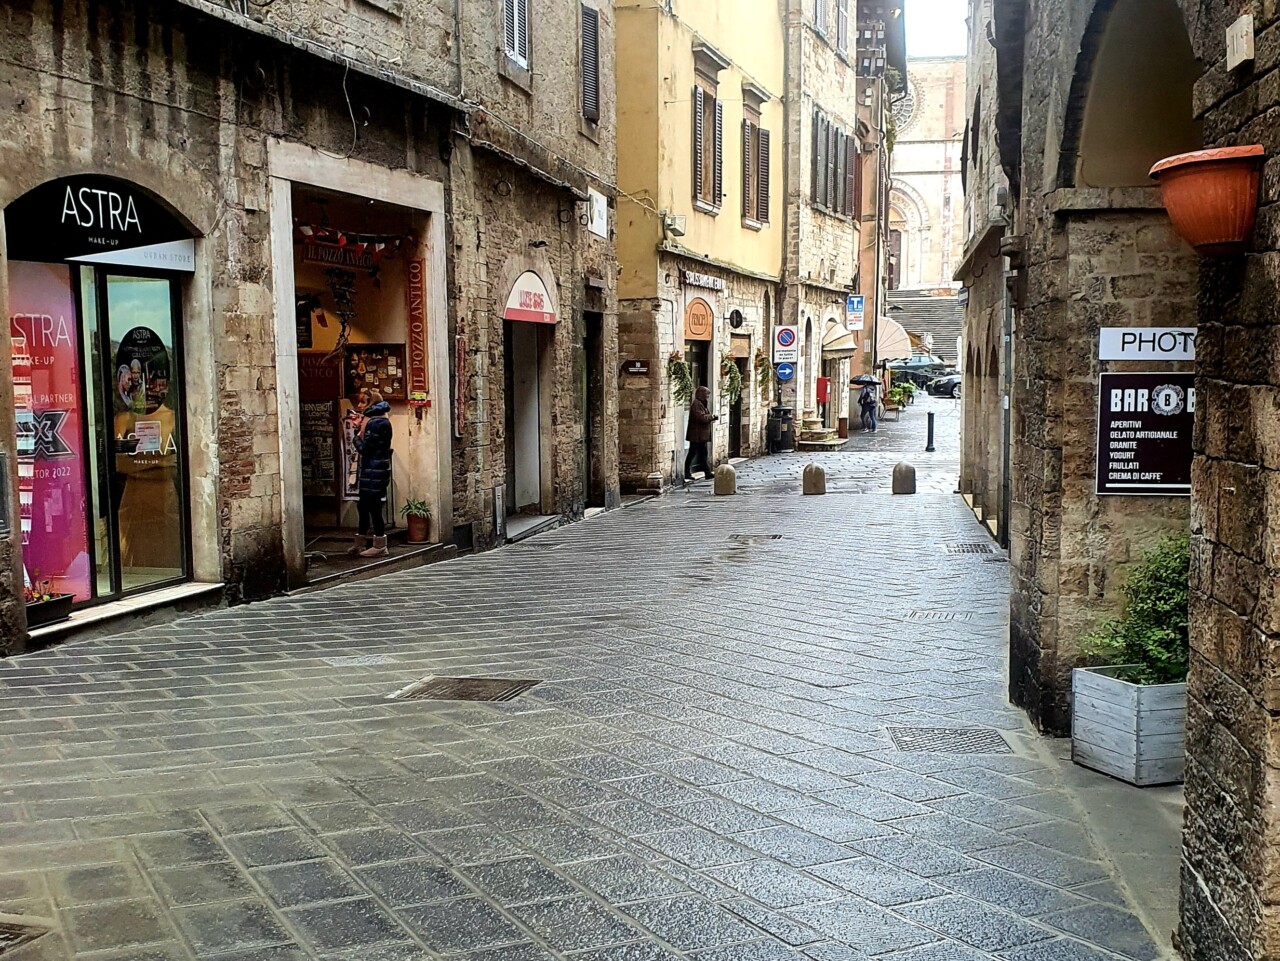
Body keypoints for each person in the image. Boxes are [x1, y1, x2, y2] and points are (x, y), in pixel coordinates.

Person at [353, 390, 393, 558]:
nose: (359, 406)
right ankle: (360, 543)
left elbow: (366, 449)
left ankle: (379, 545)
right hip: (372, 468)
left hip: (374, 469)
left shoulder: (375, 423)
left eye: (363, 402)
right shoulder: (374, 420)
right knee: (363, 505)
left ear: (371, 404)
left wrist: (356, 437)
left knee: (373, 507)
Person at [684, 385, 718, 480]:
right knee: (693, 453)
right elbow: (701, 417)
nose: (708, 396)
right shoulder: (696, 404)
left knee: (701, 453)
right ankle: (688, 473)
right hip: (696, 435)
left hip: (699, 435)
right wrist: (712, 417)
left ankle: (706, 472)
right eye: (706, 394)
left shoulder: (701, 403)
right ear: (701, 394)